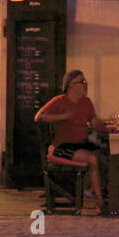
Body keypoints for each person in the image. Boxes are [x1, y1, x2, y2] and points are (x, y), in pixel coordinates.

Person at [35, 70, 107, 210]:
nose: (86, 84)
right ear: (70, 85)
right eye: (81, 82)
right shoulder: (60, 101)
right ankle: (100, 202)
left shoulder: (86, 102)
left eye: (85, 81)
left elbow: (95, 124)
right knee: (92, 158)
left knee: (107, 155)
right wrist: (63, 117)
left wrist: (110, 127)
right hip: (62, 146)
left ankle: (98, 192)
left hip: (81, 143)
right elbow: (39, 117)